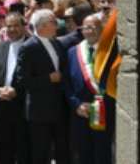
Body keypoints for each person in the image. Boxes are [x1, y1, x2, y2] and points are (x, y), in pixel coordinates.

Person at [13, 9, 70, 164]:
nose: (57, 26)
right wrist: (48, 78)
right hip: (39, 111)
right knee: (40, 153)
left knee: (62, 150)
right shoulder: (29, 47)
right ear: (42, 26)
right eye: (53, 22)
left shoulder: (56, 43)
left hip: (58, 108)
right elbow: (21, 80)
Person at [64, 13, 120, 164]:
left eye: (94, 27)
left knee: (103, 152)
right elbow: (67, 84)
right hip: (82, 111)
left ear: (102, 29)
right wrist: (76, 105)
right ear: (81, 30)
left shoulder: (111, 52)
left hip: (105, 110)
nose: (89, 31)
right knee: (83, 153)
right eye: (86, 28)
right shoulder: (72, 52)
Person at [0, 12, 32, 164]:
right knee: (4, 147)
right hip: (2, 104)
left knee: (23, 148)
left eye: (16, 25)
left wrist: (17, 91)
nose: (12, 29)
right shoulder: (1, 46)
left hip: (24, 105)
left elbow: (35, 75)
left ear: (24, 26)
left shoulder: (32, 45)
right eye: (9, 26)